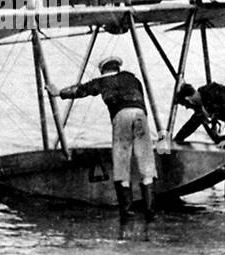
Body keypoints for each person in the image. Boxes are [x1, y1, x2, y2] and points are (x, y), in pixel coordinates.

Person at [54, 57, 156, 221]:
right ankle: (150, 212)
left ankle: (127, 213)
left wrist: (59, 93)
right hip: (140, 116)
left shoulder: (102, 81)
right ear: (118, 67)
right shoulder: (132, 78)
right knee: (146, 165)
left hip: (121, 116)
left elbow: (79, 91)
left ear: (103, 70)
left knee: (122, 166)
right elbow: (143, 99)